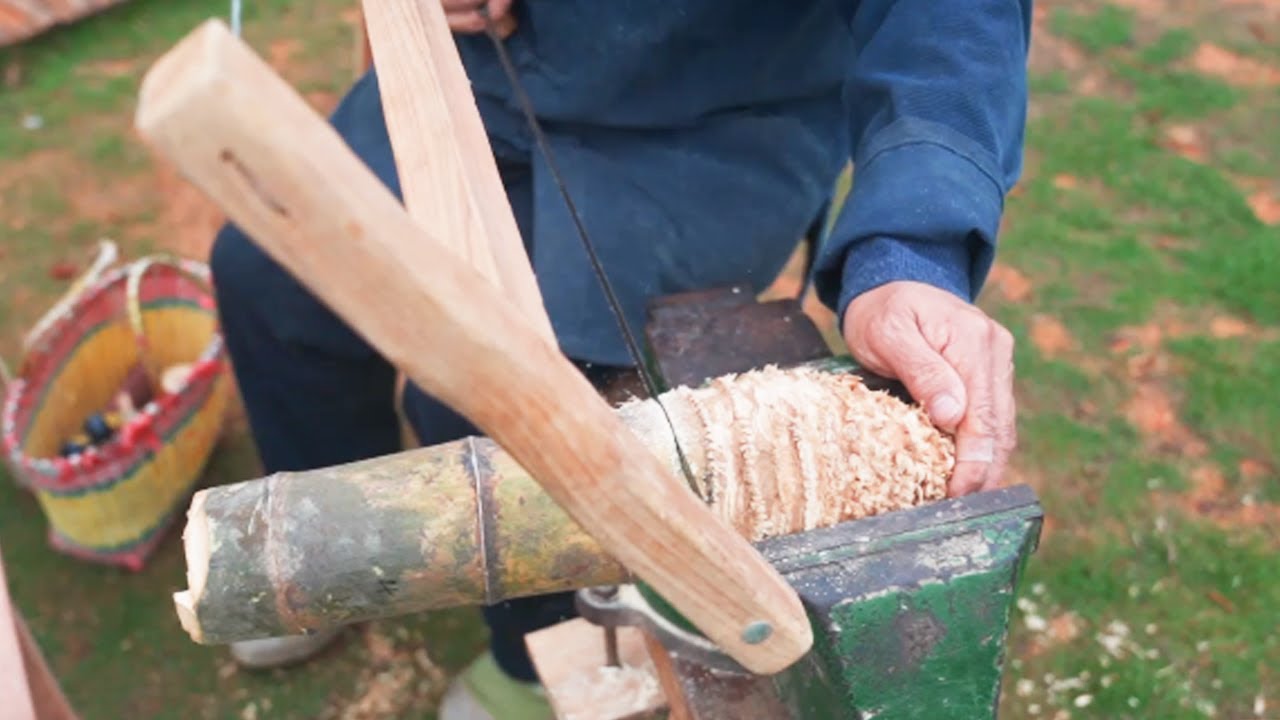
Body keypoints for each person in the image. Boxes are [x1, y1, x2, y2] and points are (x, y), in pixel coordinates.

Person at [209, 1, 1029, 717]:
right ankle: (333, 550)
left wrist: (911, 251)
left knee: (512, 409)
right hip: (485, 76)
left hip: (711, 127)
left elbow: (950, 15)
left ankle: (529, 659)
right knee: (266, 273)